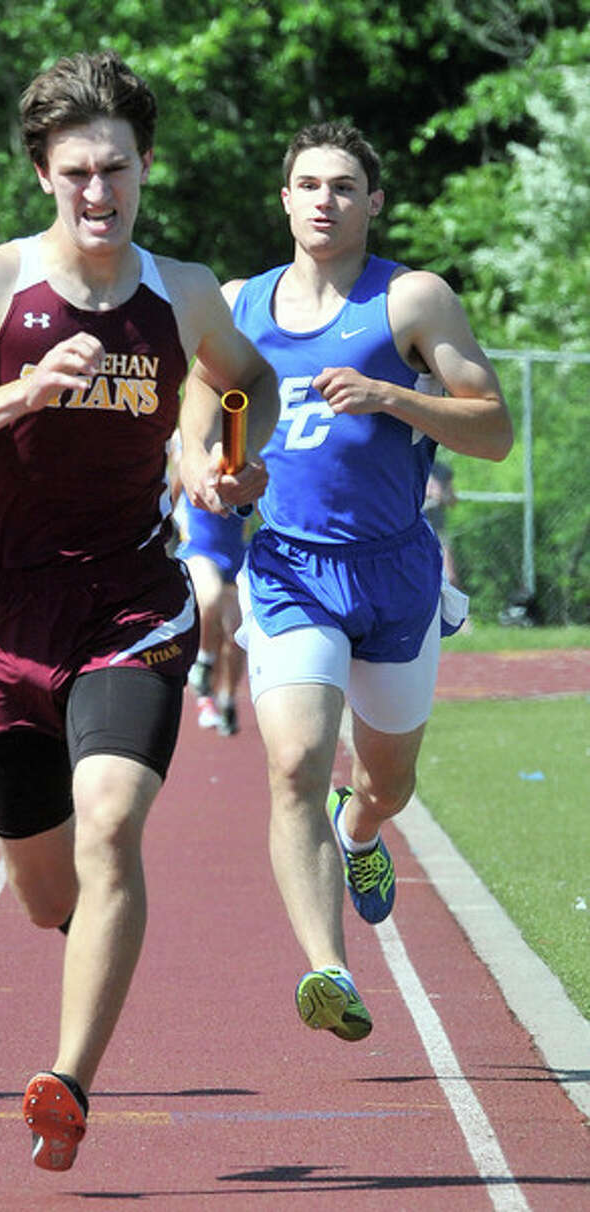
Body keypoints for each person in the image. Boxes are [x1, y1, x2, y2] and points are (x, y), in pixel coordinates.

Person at [0, 50, 277, 1171]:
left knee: (111, 826)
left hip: (133, 605)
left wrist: (221, 458)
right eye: (79, 172)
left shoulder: (183, 290)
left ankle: (68, 1084)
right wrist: (20, 393)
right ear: (43, 172)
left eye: (121, 170)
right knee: (48, 887)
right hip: (0, 622)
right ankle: (92, 928)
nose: (102, 194)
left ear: (147, 168)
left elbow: (245, 381)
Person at [183, 122, 512, 1044]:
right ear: (283, 199)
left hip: (396, 570)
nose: (323, 199)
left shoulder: (412, 300)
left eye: (343, 185)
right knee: (293, 761)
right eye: (307, 184)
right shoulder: (239, 303)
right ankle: (328, 968)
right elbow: (198, 414)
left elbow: (491, 429)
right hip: (289, 568)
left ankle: (360, 829)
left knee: (388, 782)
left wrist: (393, 397)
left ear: (373, 202)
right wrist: (205, 471)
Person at [177, 506, 247, 735]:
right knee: (211, 595)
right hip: (199, 552)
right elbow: (167, 496)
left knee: (236, 636)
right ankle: (203, 662)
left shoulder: (251, 470)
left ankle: (226, 700)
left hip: (235, 557)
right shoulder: (185, 469)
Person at [424, 459, 459, 587]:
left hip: (438, 532)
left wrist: (442, 496)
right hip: (418, 532)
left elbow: (453, 500)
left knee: (450, 577)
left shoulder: (442, 472)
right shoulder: (414, 467)